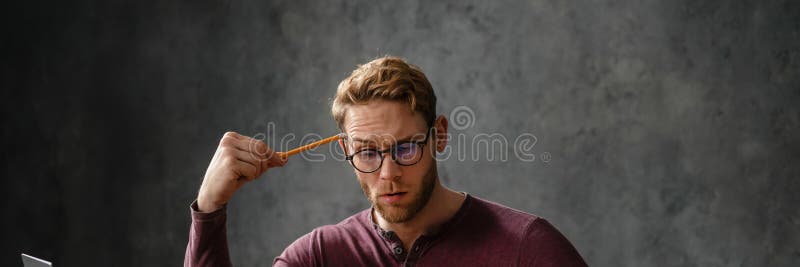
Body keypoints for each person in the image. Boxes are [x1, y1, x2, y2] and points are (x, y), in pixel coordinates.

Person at [184, 56, 588, 266]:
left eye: (406, 147)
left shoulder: (527, 248)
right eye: (368, 152)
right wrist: (208, 210)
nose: (388, 173)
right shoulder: (318, 256)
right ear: (346, 150)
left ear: (440, 135)